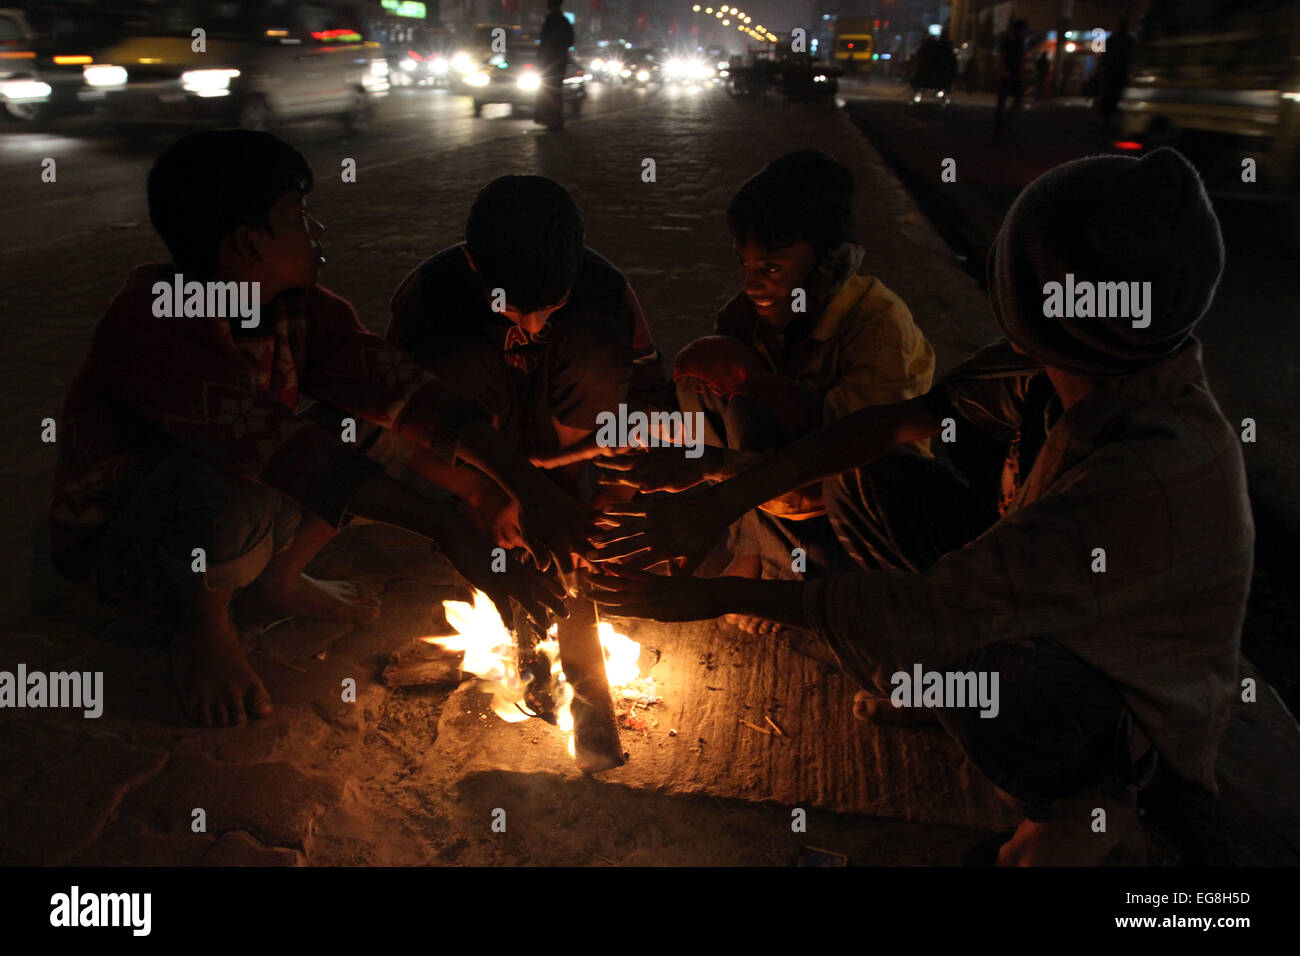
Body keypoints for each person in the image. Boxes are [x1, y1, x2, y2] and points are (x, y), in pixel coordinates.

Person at [585, 148, 1253, 866]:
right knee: (869, 475)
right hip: (1044, 602)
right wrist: (723, 497)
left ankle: (1079, 808)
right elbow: (890, 424)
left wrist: (710, 595)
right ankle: (931, 690)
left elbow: (929, 609)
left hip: (1121, 697)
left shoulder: (1144, 471)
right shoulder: (1072, 361)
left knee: (985, 664)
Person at [48, 131, 584, 728]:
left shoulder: (296, 308)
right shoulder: (156, 321)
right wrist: (449, 529)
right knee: (241, 472)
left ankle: (275, 579)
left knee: (368, 424)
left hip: (241, 510)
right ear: (249, 243)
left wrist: (508, 489)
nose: (317, 231)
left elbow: (399, 390)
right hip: (132, 548)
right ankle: (204, 629)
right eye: (299, 217)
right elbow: (282, 453)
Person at [596, 150, 935, 633]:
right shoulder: (747, 314)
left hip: (861, 498)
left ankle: (793, 577)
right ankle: (755, 551)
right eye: (744, 264)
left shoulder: (880, 327)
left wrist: (710, 466)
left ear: (830, 266)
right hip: (779, 482)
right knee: (704, 366)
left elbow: (845, 453)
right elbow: (705, 413)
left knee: (766, 399)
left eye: (771, 269)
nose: (752, 283)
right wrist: (633, 457)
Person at [358, 174, 672, 553]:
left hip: (570, 447)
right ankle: (487, 502)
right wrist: (482, 494)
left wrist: (615, 493)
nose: (533, 327)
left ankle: (567, 494)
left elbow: (654, 404)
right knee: (455, 358)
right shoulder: (432, 293)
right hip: (478, 443)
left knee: (596, 344)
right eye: (509, 308)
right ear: (473, 261)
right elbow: (392, 418)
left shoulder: (605, 290)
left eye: (551, 307)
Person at [536, 0, 575, 129]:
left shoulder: (553, 20)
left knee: (550, 91)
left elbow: (545, 42)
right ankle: (553, 120)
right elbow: (570, 41)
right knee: (554, 91)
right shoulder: (562, 20)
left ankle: (552, 120)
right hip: (556, 61)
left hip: (550, 62)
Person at [1098, 17, 1136, 130]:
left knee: (1109, 96)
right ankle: (1112, 122)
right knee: (1116, 96)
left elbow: (1104, 57)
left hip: (1112, 72)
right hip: (1120, 72)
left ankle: (1108, 121)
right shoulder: (1128, 40)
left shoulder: (1112, 39)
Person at [994, 18, 1028, 130]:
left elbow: (1022, 59)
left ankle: (1005, 121)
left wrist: (1021, 74)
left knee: (1016, 99)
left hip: (1015, 74)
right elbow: (1002, 56)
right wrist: (1002, 70)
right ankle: (1000, 123)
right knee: (1002, 100)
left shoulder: (1021, 42)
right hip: (1008, 74)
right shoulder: (1009, 41)